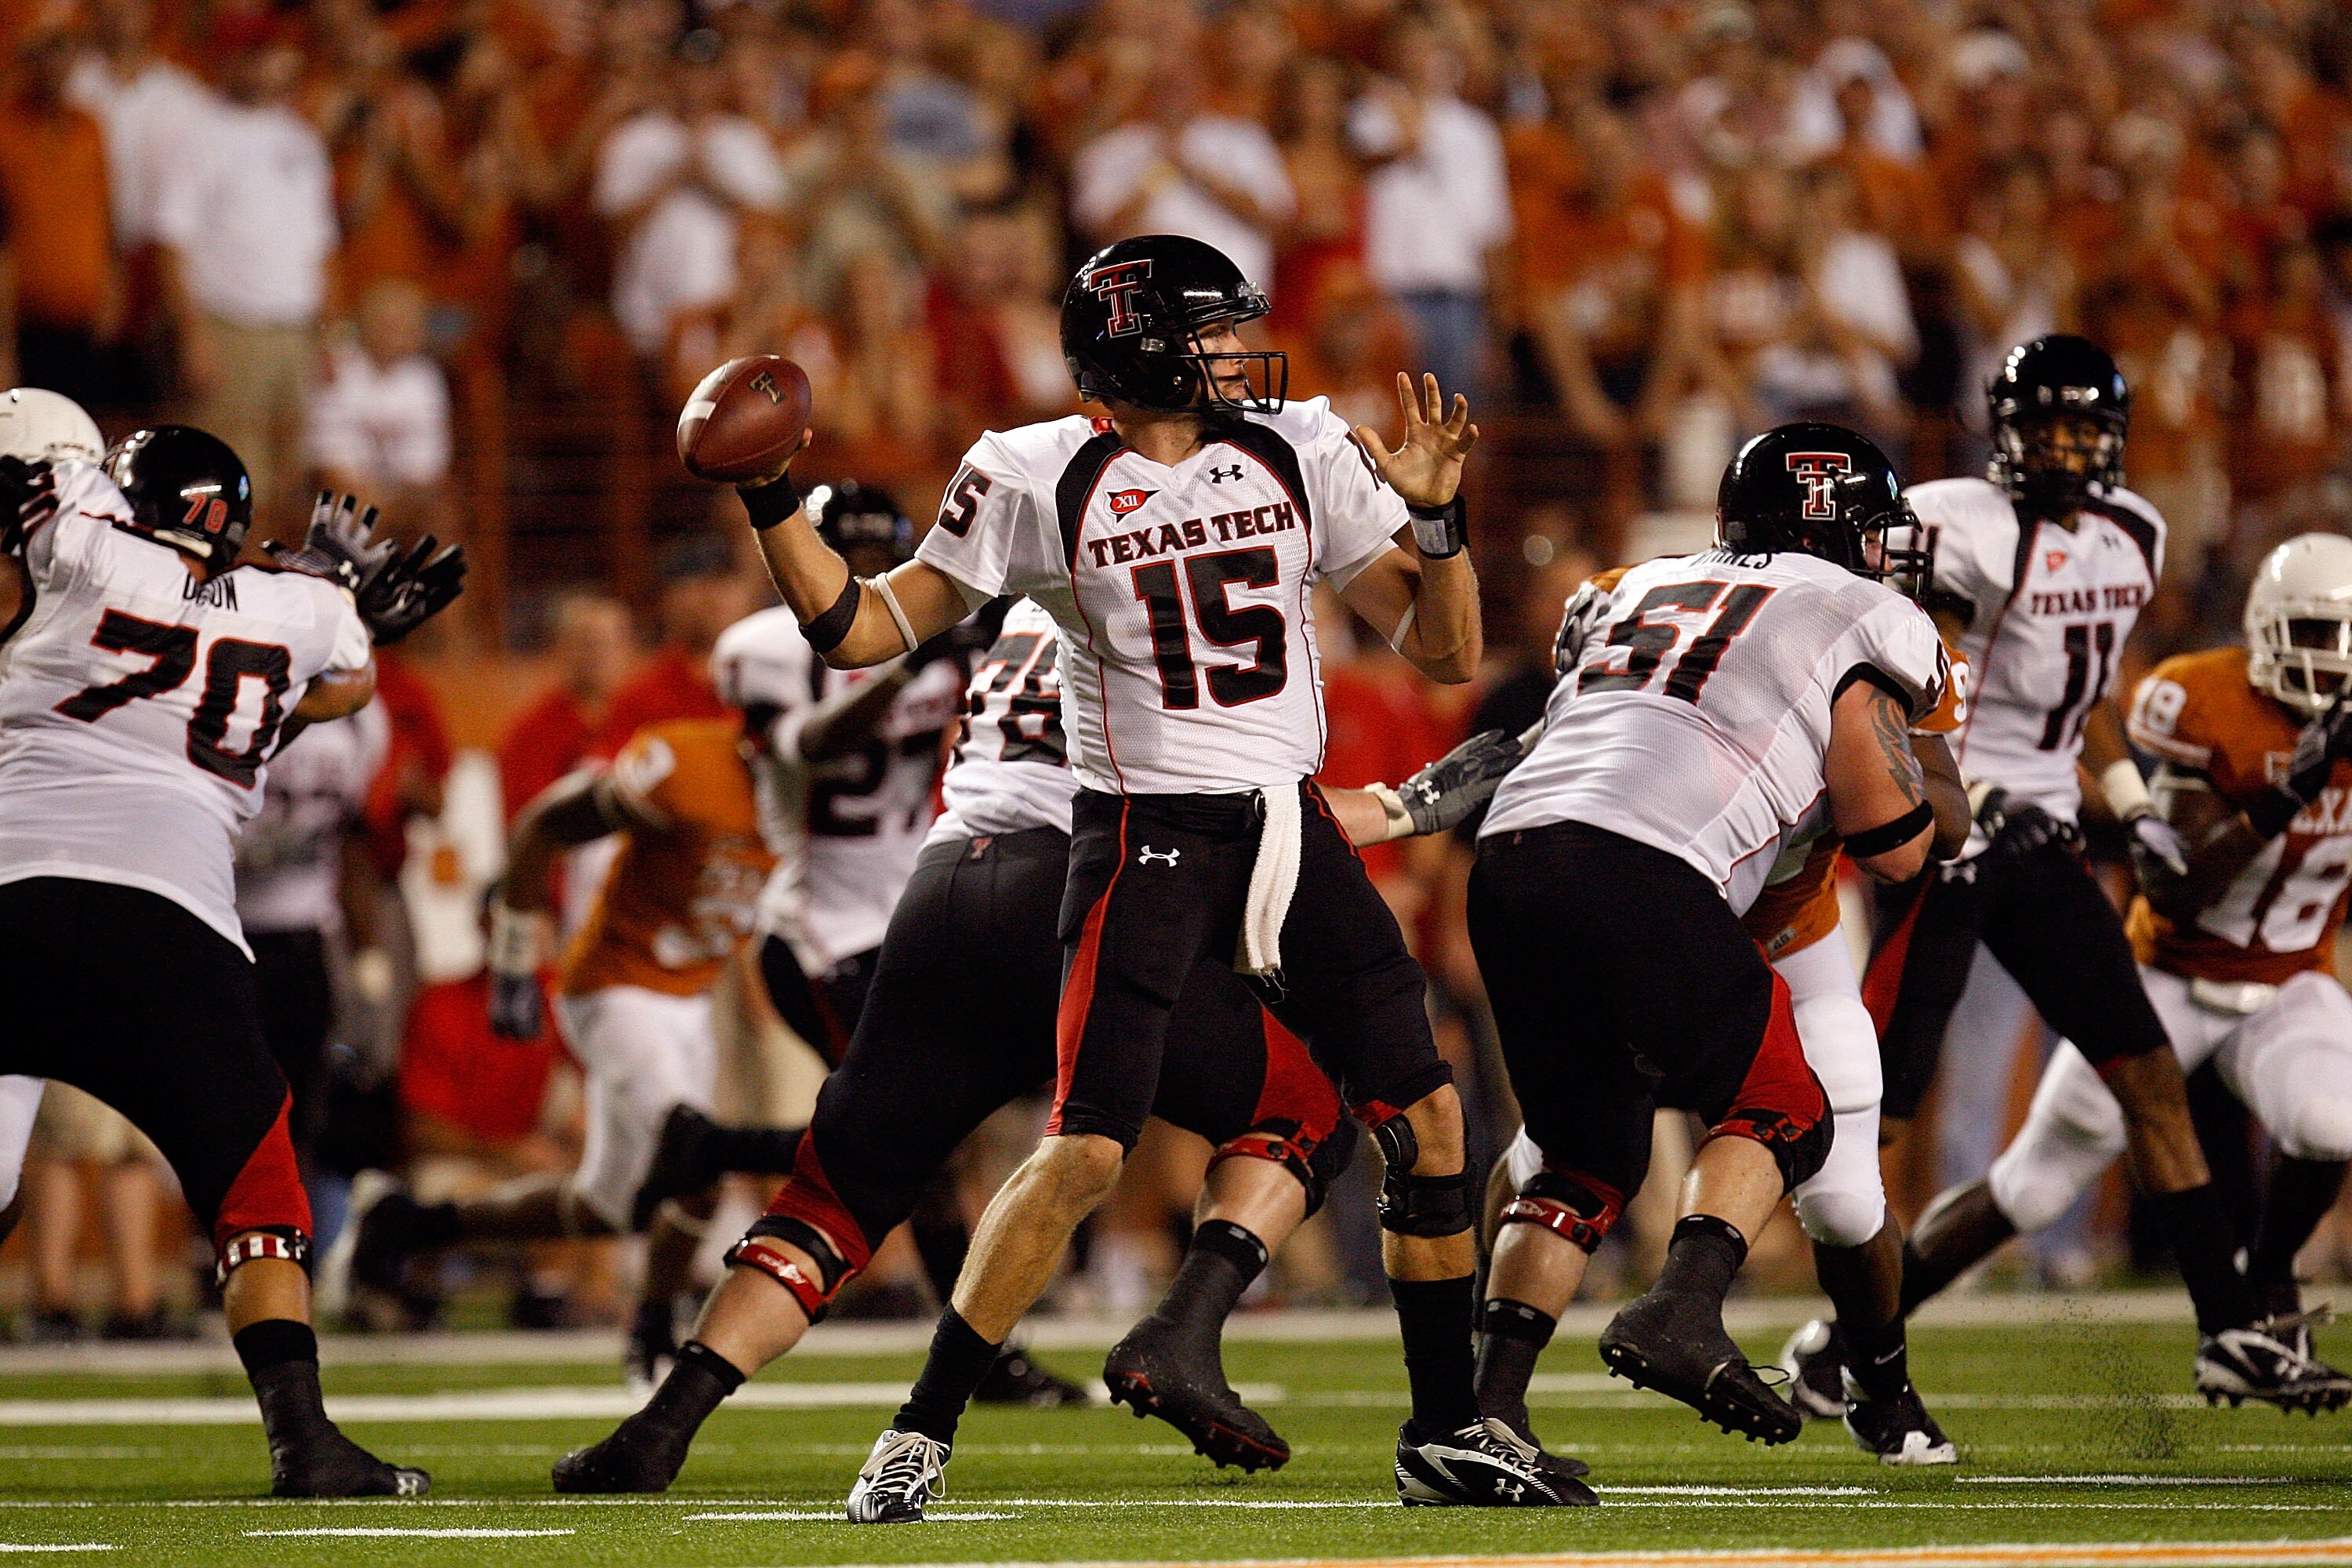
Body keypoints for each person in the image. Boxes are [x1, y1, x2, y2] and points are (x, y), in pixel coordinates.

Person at [719, 232, 1567, 1512]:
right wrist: (774, 502)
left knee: (1428, 1113)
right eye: (1214, 330)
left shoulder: (1295, 443)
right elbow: (861, 627)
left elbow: (1445, 651)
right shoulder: (1034, 472)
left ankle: (1445, 1430)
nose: (1238, 351)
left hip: (1282, 820)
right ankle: (922, 1427)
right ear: (1145, 351)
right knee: (1087, 1150)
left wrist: (1440, 521)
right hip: (1141, 836)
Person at [552, 596, 1530, 1494]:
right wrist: (1407, 805)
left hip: (942, 889)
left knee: (835, 1194)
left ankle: (661, 1424)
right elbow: (1242, 806)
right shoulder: (1176, 585)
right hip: (1086, 886)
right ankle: (1178, 1328)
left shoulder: (1029, 593)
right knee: (1301, 1103)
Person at [1793, 336, 2341, 1410]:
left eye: (2080, 427)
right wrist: (1975, 795)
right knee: (1883, 1110)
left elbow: (2083, 691)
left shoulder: (2132, 534)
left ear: (2114, 439)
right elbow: (1918, 672)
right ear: (2003, 432)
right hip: (1954, 825)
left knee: (2146, 1074)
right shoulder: (1959, 522)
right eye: (2041, 425)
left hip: (2043, 830)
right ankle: (1827, 1334)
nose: (2060, 444)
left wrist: (2131, 806)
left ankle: (2231, 1330)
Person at [1470, 423, 1951, 1459]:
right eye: (1870, 528)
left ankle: (1486, 1415)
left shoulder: (1641, 583)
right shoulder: (1866, 614)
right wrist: (1931, 820)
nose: (1887, 550)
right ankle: (1683, 1308)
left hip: (1517, 855)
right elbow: (1895, 841)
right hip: (1656, 870)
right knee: (1792, 1109)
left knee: (1580, 1160)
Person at [0, 431, 459, 1495]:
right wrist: (340, 594)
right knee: (259, 1192)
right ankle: (304, 1442)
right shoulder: (298, 613)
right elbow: (319, 696)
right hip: (167, 921)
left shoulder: (79, 550)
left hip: (12, 898)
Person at [676, 481, 1086, 1406]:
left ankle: (716, 1146)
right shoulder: (761, 647)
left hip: (917, 912)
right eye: (845, 555)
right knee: (904, 1142)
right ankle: (984, 1359)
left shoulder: (948, 629)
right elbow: (804, 744)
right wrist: (907, 666)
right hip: (818, 928)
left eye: (878, 555)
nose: (863, 575)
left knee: (944, 1133)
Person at [326, 688, 778, 1392]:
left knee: (608, 1208)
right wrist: (512, 958)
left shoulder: (823, 793)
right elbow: (542, 826)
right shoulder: (686, 762)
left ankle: (410, 1223)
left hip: (690, 996)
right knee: (695, 1162)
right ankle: (653, 1330)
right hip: (617, 986)